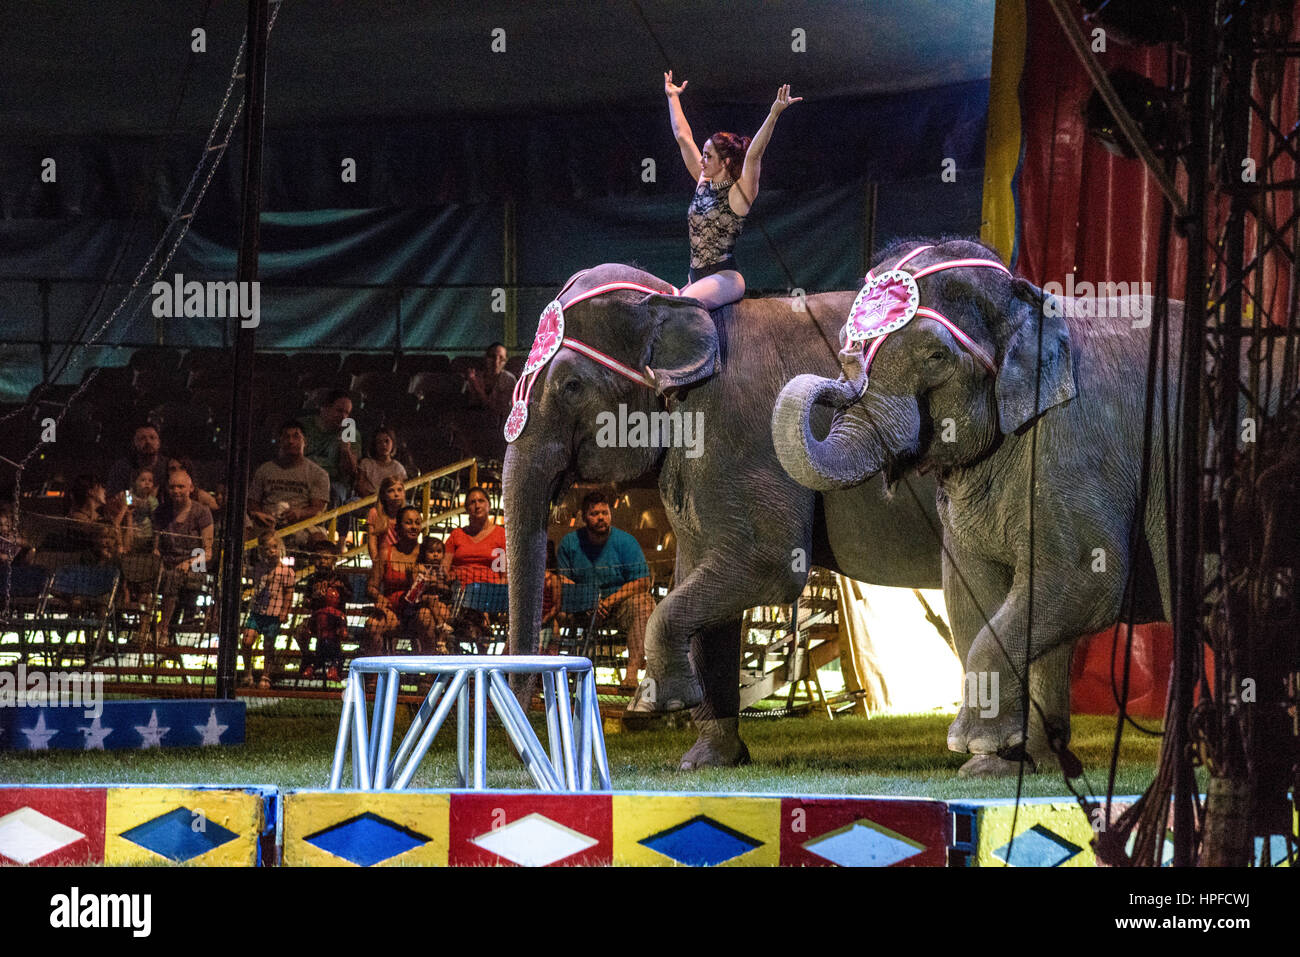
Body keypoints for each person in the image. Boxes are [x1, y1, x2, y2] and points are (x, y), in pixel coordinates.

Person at [663, 72, 802, 309]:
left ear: (725, 162)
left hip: (725, 278)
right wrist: (672, 97)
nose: (702, 160)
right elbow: (683, 137)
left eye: (708, 156)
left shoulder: (739, 194)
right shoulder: (703, 182)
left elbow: (754, 155)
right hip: (694, 277)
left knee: (679, 308)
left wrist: (773, 114)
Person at [556, 490, 655, 691]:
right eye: (594, 513)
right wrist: (588, 601)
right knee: (549, 602)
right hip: (580, 605)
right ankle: (550, 674)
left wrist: (607, 603)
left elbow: (643, 581)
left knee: (644, 603)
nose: (601, 517)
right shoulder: (569, 543)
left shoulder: (626, 542)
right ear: (584, 517)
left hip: (616, 604)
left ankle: (631, 674)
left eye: (605, 512)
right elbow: (563, 580)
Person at [153, 468, 214, 648]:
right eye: (173, 487)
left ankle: (162, 628)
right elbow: (156, 548)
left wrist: (188, 563)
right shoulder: (161, 512)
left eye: (181, 487)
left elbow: (207, 552)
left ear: (190, 488)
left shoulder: (202, 513)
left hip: (195, 565)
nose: (176, 491)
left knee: (174, 576)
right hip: (167, 564)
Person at [363, 506, 435, 655]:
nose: (414, 527)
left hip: (416, 613)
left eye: (417, 523)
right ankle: (374, 676)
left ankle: (430, 675)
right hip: (392, 613)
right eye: (408, 523)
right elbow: (371, 587)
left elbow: (437, 582)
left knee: (426, 617)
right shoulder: (385, 553)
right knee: (372, 624)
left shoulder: (426, 553)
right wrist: (380, 599)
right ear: (398, 527)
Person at [247, 421, 331, 549]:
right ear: (280, 441)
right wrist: (259, 514)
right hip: (267, 524)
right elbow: (253, 501)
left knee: (320, 541)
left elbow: (318, 508)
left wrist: (300, 513)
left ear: (305, 441)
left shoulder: (318, 473)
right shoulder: (264, 470)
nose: (291, 441)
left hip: (302, 524)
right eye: (286, 437)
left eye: (296, 436)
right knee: (245, 534)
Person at [241, 529, 297, 689]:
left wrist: (285, 612)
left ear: (279, 548)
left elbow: (288, 594)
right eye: (267, 549)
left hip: (274, 614)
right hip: (257, 612)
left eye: (274, 547)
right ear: (261, 551)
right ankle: (247, 673)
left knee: (268, 645)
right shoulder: (259, 568)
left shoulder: (286, 572)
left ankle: (266, 674)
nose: (271, 551)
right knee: (246, 640)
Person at [294, 538, 352, 681]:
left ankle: (335, 665)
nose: (322, 561)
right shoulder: (312, 580)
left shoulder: (340, 577)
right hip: (317, 619)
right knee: (299, 631)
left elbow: (349, 596)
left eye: (326, 558)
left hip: (335, 620)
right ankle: (309, 658)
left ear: (333, 560)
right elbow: (306, 602)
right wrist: (314, 598)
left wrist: (338, 589)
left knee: (332, 642)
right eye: (319, 558)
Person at [302, 389, 361, 506]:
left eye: (347, 413)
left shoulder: (350, 431)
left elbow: (350, 471)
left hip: (333, 482)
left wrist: (345, 451)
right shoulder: (304, 426)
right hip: (303, 476)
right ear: (324, 408)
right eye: (339, 411)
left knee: (333, 494)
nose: (343, 417)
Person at [441, 487, 506, 586]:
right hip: (459, 593)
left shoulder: (502, 535)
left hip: (490, 593)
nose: (477, 506)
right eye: (472, 502)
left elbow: (506, 577)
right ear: (467, 509)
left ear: (489, 505)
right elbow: (444, 567)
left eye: (481, 501)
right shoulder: (456, 534)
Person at [63, 474, 130, 555]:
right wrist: (123, 509)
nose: (105, 491)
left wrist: (129, 515)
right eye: (102, 487)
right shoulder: (76, 517)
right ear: (91, 491)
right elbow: (104, 531)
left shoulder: (102, 516)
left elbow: (126, 547)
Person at [410, 535, 453, 652]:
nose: (435, 555)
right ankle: (440, 624)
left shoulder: (441, 569)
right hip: (420, 599)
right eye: (431, 551)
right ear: (424, 554)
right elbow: (415, 586)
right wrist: (428, 582)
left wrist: (441, 584)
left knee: (445, 612)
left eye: (439, 552)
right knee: (431, 599)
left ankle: (441, 641)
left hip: (438, 600)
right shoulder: (421, 567)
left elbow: (447, 585)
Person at [106, 424, 166, 497]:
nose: (148, 442)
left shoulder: (167, 466)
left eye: (152, 438)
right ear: (134, 443)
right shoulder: (122, 467)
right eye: (142, 438)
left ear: (159, 442)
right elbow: (118, 493)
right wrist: (131, 504)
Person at [464, 343, 516, 419]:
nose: (496, 362)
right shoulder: (475, 376)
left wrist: (476, 386)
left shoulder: (509, 379)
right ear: (486, 358)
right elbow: (469, 405)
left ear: (505, 361)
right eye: (492, 357)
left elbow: (498, 410)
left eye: (501, 358)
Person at [355, 426, 407, 498]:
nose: (383, 445)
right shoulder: (366, 464)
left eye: (387, 441)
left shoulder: (398, 468)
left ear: (393, 443)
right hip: (368, 501)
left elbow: (400, 490)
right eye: (379, 442)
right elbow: (360, 486)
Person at [365, 476, 406, 563]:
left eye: (399, 490)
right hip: (383, 560)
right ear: (383, 495)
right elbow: (372, 542)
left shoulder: (406, 514)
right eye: (391, 491)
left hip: (402, 561)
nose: (396, 494)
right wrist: (376, 562)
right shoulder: (375, 513)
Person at [127, 467, 159, 552]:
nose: (147, 483)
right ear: (135, 482)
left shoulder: (153, 500)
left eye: (150, 480)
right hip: (131, 533)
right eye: (143, 480)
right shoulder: (129, 495)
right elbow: (128, 511)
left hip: (147, 535)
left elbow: (155, 520)